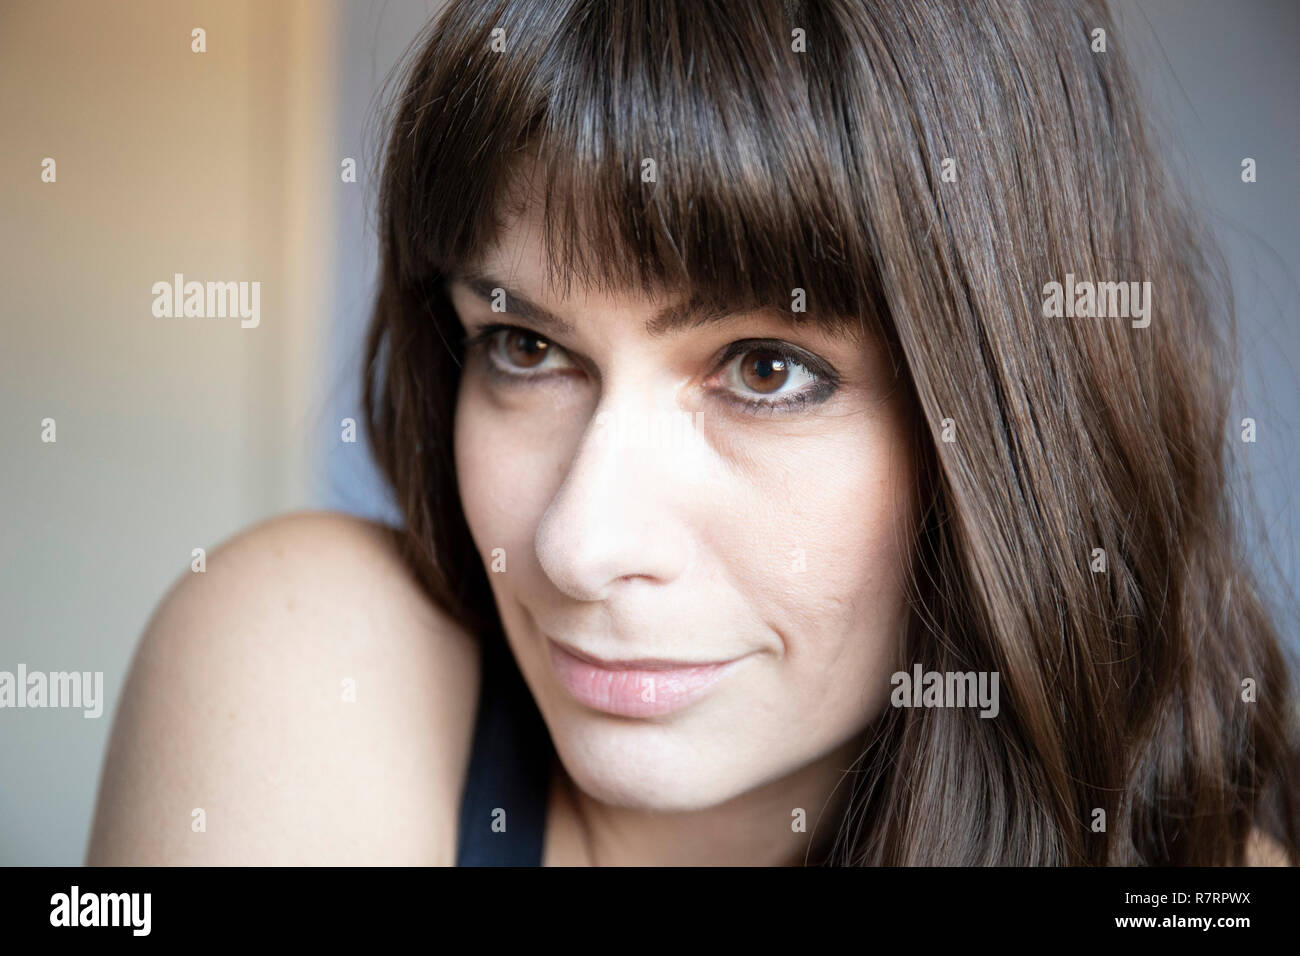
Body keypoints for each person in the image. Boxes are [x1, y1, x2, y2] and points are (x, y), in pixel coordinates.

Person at [88, 0, 1297, 866]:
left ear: (1011, 427)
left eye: (765, 369)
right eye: (526, 347)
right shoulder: (312, 658)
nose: (577, 541)